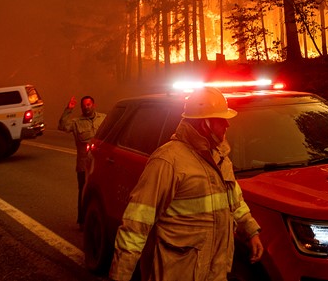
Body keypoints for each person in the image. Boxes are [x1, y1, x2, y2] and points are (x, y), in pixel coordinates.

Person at [108, 86, 264, 281]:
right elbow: (136, 224)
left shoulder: (220, 157)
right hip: (177, 272)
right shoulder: (168, 161)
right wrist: (120, 275)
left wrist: (250, 231)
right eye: (220, 120)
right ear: (204, 124)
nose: (227, 125)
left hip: (214, 272)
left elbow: (234, 199)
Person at [58, 94, 106, 225]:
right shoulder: (76, 122)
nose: (86, 108)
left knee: (102, 192)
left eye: (88, 105)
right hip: (83, 164)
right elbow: (62, 126)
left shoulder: (103, 119)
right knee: (84, 191)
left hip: (101, 163)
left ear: (93, 105)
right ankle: (82, 220)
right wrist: (68, 109)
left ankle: (100, 220)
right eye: (84, 105)